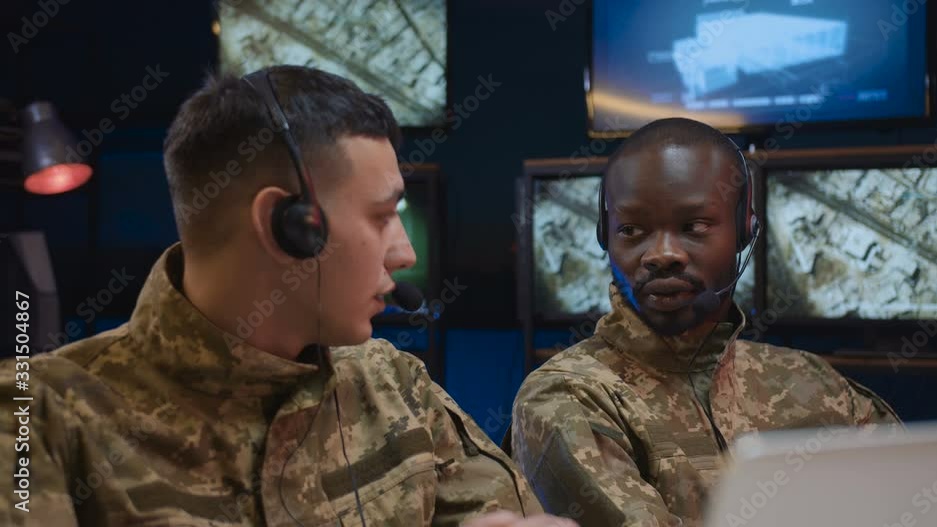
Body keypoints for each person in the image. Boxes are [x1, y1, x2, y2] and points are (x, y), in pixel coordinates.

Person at [0, 65, 574, 527]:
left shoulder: (394, 383)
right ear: (288, 225)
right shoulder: (34, 417)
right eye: (382, 217)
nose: (406, 257)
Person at [506, 118, 902, 526]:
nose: (661, 254)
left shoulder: (813, 382)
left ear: (745, 230)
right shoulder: (567, 397)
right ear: (604, 236)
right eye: (631, 229)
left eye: (693, 226)